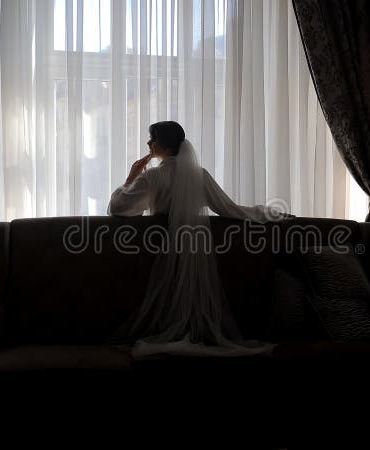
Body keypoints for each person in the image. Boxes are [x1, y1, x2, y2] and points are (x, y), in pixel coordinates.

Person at [108, 121, 287, 359]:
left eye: (153, 139)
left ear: (165, 146)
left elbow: (118, 208)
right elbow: (229, 209)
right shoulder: (199, 176)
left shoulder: (152, 176)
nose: (149, 143)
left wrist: (131, 177)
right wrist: (267, 214)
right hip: (194, 250)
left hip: (155, 249)